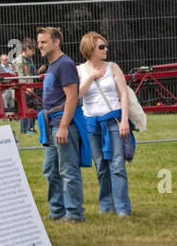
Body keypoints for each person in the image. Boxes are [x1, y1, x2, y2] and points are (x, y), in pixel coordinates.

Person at [77, 31, 132, 218]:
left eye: (105, 46)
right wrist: (91, 77)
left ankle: (122, 208)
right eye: (101, 47)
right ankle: (106, 205)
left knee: (117, 165)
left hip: (113, 120)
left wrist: (124, 120)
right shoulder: (80, 70)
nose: (106, 49)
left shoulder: (113, 67)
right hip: (91, 123)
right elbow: (76, 96)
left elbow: (123, 94)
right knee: (101, 165)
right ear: (90, 49)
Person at [37, 26, 84, 222]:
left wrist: (64, 126)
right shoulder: (52, 65)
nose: (39, 45)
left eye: (44, 42)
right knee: (51, 170)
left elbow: (72, 97)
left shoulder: (65, 64)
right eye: (39, 42)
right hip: (51, 126)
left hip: (62, 125)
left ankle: (74, 214)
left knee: (68, 170)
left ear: (57, 42)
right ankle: (57, 212)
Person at [13, 39, 39, 134]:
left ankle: (29, 128)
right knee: (27, 106)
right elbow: (20, 76)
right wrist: (25, 88)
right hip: (24, 89)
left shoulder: (29, 59)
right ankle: (26, 129)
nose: (34, 52)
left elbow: (31, 73)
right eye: (32, 50)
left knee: (30, 106)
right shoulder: (19, 61)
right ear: (27, 49)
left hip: (30, 87)